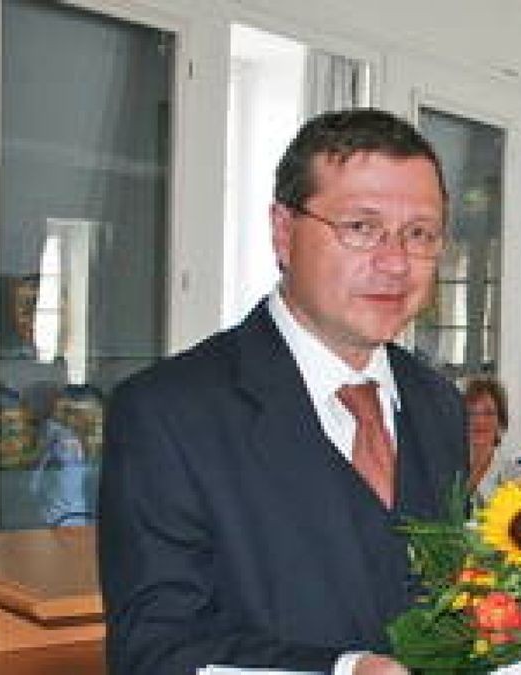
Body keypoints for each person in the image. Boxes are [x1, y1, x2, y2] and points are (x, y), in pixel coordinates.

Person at [98, 109, 466, 675]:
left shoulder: (440, 405)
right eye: (361, 228)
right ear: (283, 232)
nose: (395, 263)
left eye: (419, 234)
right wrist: (343, 671)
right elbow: (155, 651)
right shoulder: (167, 413)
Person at [463, 376, 521, 501]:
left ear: (501, 423)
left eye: (488, 413)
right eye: (471, 413)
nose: (479, 420)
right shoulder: (442, 472)